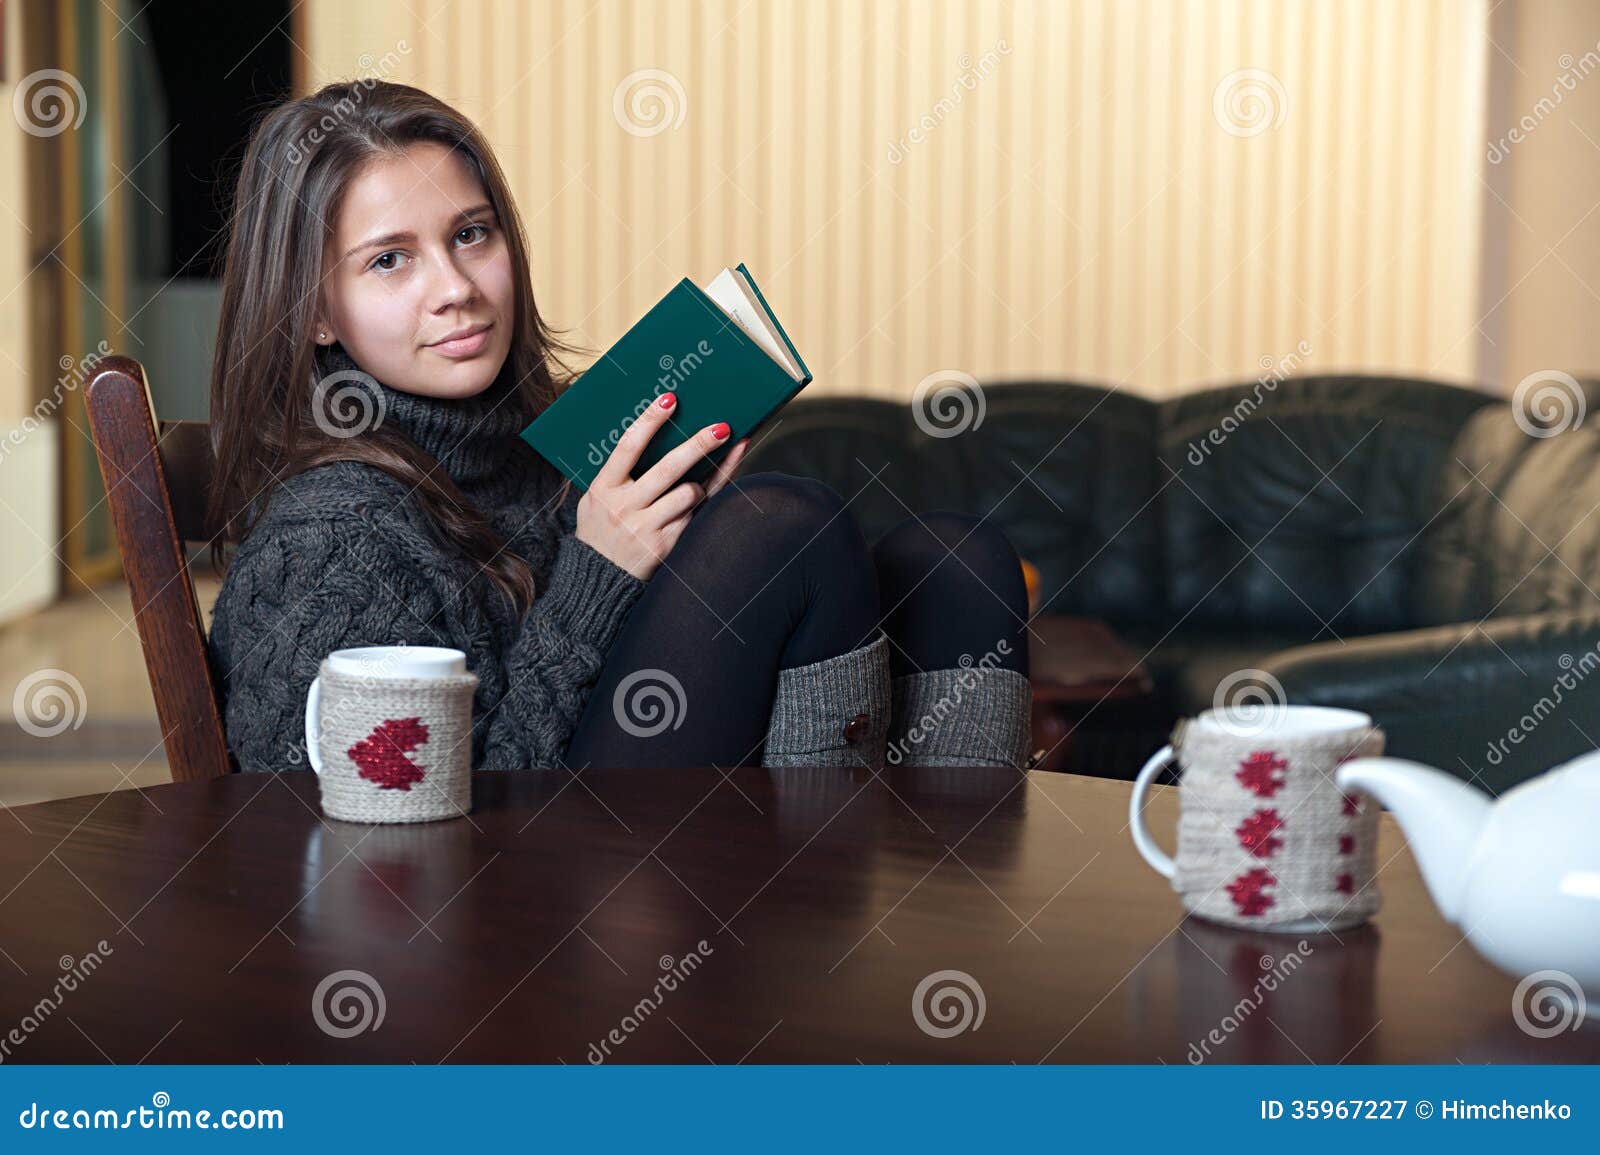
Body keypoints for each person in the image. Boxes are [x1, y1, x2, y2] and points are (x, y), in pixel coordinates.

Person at [205, 80, 1033, 774]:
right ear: (315, 311)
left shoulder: (552, 451)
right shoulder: (329, 536)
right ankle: (823, 922)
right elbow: (421, 829)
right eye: (390, 259)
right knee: (782, 527)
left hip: (630, 814)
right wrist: (599, 572)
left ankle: (944, 926)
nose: (455, 286)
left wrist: (688, 546)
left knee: (959, 563)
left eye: (470, 233)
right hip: (521, 902)